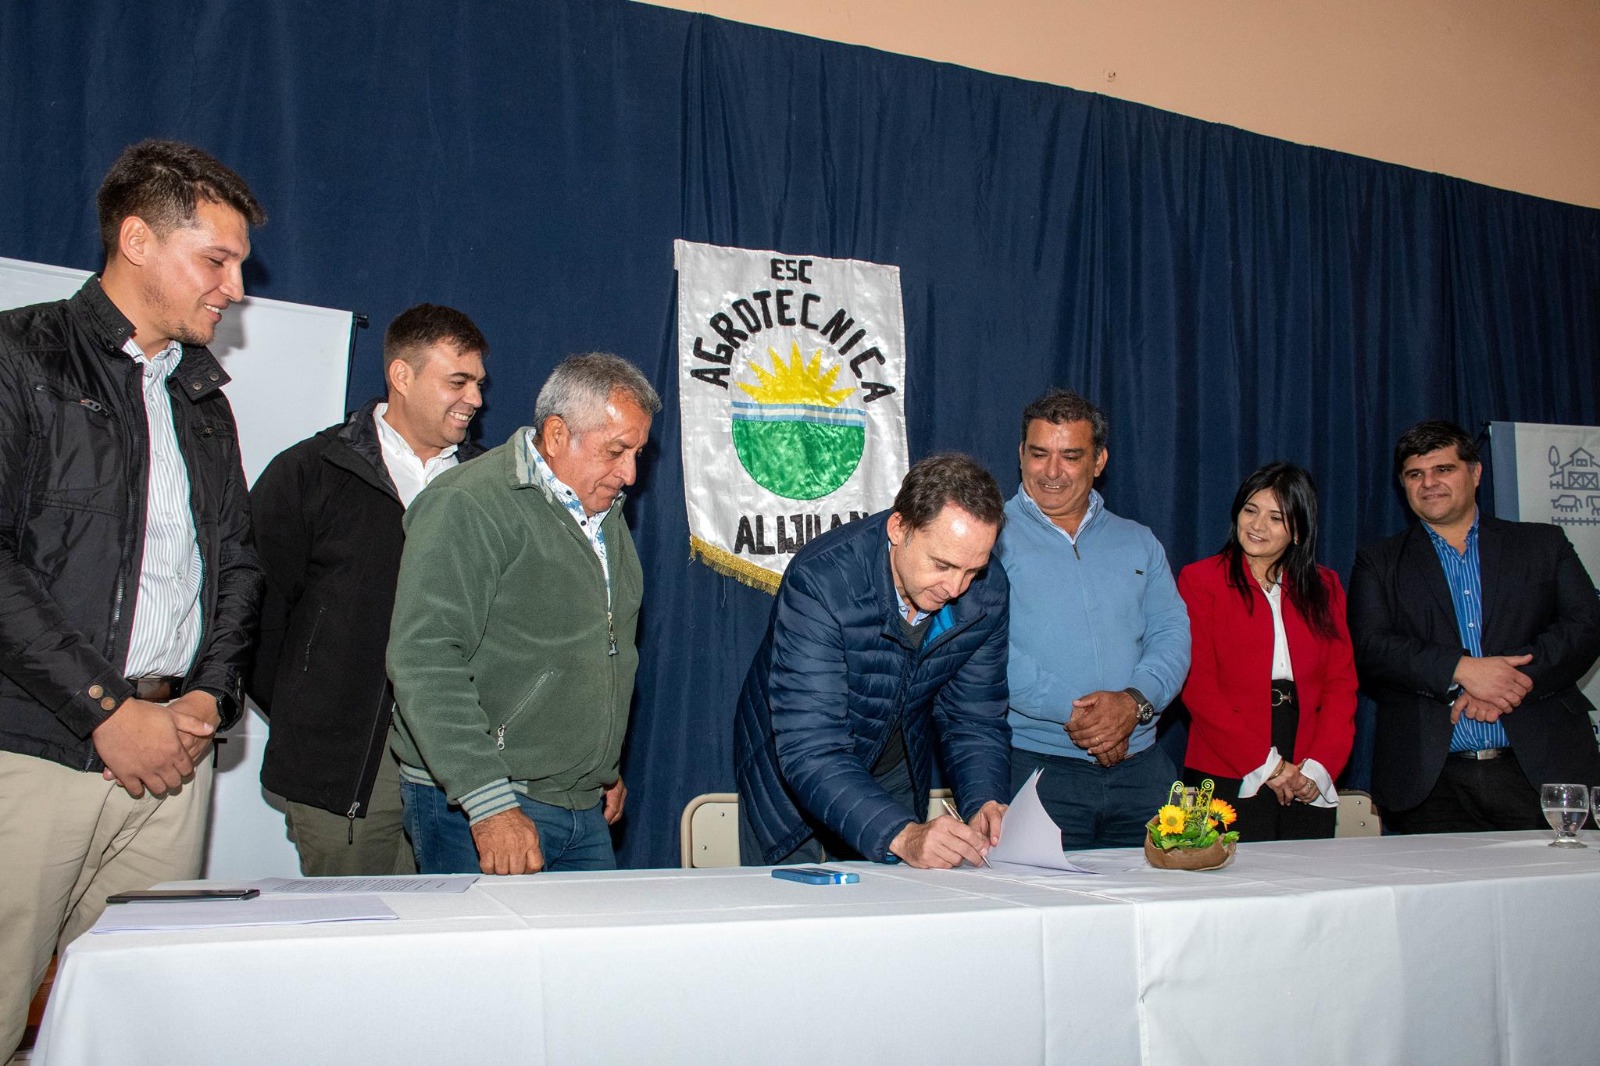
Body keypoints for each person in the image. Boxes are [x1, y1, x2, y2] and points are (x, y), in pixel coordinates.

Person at [0, 140, 265, 1055]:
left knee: (136, 1033)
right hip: (38, 751)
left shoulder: (201, 399)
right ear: (137, 239)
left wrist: (206, 699)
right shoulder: (17, 356)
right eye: (216, 260)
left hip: (172, 761)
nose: (232, 286)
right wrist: (105, 710)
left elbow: (238, 565)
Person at [387, 353, 658, 874]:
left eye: (638, 453)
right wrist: (489, 805)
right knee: (484, 959)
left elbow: (590, 648)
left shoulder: (603, 512)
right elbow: (425, 660)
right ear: (556, 435)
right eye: (617, 451)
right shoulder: (469, 504)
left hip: (580, 803)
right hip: (483, 805)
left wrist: (599, 762)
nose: (629, 473)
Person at [249, 305, 488, 876]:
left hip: (463, 763)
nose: (475, 399)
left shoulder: (491, 486)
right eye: (458, 381)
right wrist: (321, 716)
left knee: (458, 945)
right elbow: (251, 616)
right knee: (356, 945)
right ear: (401, 377)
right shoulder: (309, 473)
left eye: (479, 383)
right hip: (346, 768)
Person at [735, 453, 1012, 869]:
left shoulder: (986, 593)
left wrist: (984, 799)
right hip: (792, 774)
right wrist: (902, 834)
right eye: (942, 565)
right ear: (899, 528)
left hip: (895, 764)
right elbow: (812, 747)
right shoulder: (821, 583)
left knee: (894, 916)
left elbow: (973, 717)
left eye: (973, 569)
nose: (956, 587)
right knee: (794, 919)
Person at [1348, 420, 1600, 832]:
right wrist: (1461, 670)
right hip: (1430, 783)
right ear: (1403, 484)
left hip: (1541, 774)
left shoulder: (1543, 544)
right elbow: (1372, 648)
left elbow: (1586, 625)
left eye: (1443, 469)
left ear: (1476, 473)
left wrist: (1506, 682)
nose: (1429, 483)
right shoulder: (1378, 562)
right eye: (1416, 474)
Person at [999, 389, 1191, 849]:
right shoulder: (988, 537)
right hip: (1034, 769)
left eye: (1070, 456)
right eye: (1039, 453)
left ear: (1099, 460)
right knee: (1047, 919)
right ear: (1021, 455)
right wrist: (1088, 719)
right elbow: (986, 651)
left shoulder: (1139, 541)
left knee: (1167, 915)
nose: (1051, 471)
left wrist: (1133, 704)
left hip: (1144, 771)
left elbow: (1172, 633)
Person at [1177, 462, 1358, 839]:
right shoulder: (1201, 579)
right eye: (1250, 510)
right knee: (1227, 887)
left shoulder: (1325, 585)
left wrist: (1318, 768)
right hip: (1227, 759)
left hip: (1306, 758)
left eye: (1276, 517)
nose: (1257, 526)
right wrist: (1270, 767)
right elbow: (1199, 688)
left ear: (1298, 531)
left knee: (1306, 886)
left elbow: (1340, 685)